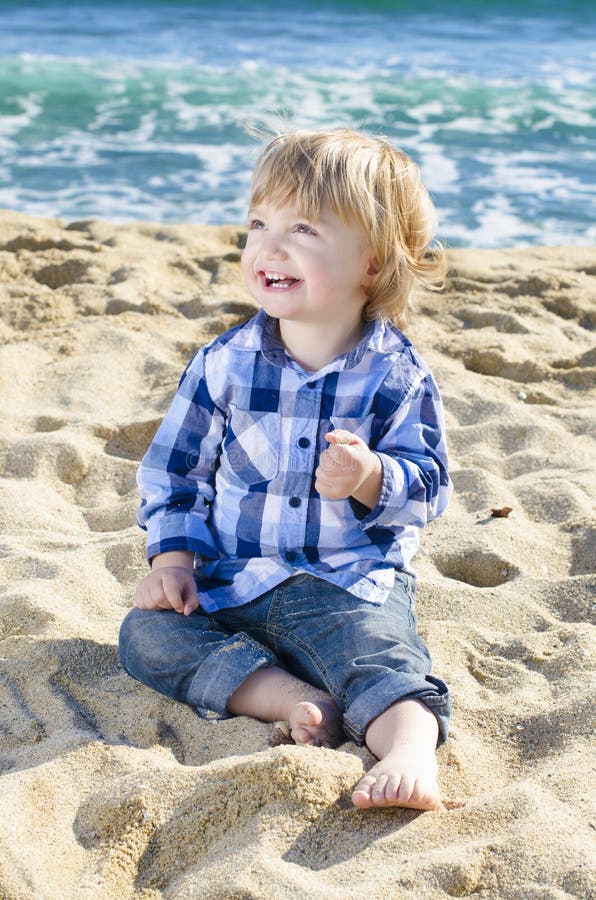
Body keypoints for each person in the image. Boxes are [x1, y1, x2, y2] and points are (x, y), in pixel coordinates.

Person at [119, 128, 452, 811]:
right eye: (258, 224)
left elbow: (430, 486)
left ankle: (409, 751)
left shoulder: (395, 375)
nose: (269, 247)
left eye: (303, 229)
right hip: (230, 586)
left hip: (345, 586)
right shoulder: (224, 364)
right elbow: (175, 473)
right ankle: (292, 698)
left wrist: (370, 478)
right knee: (145, 637)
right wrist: (174, 562)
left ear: (373, 264)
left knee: (384, 660)